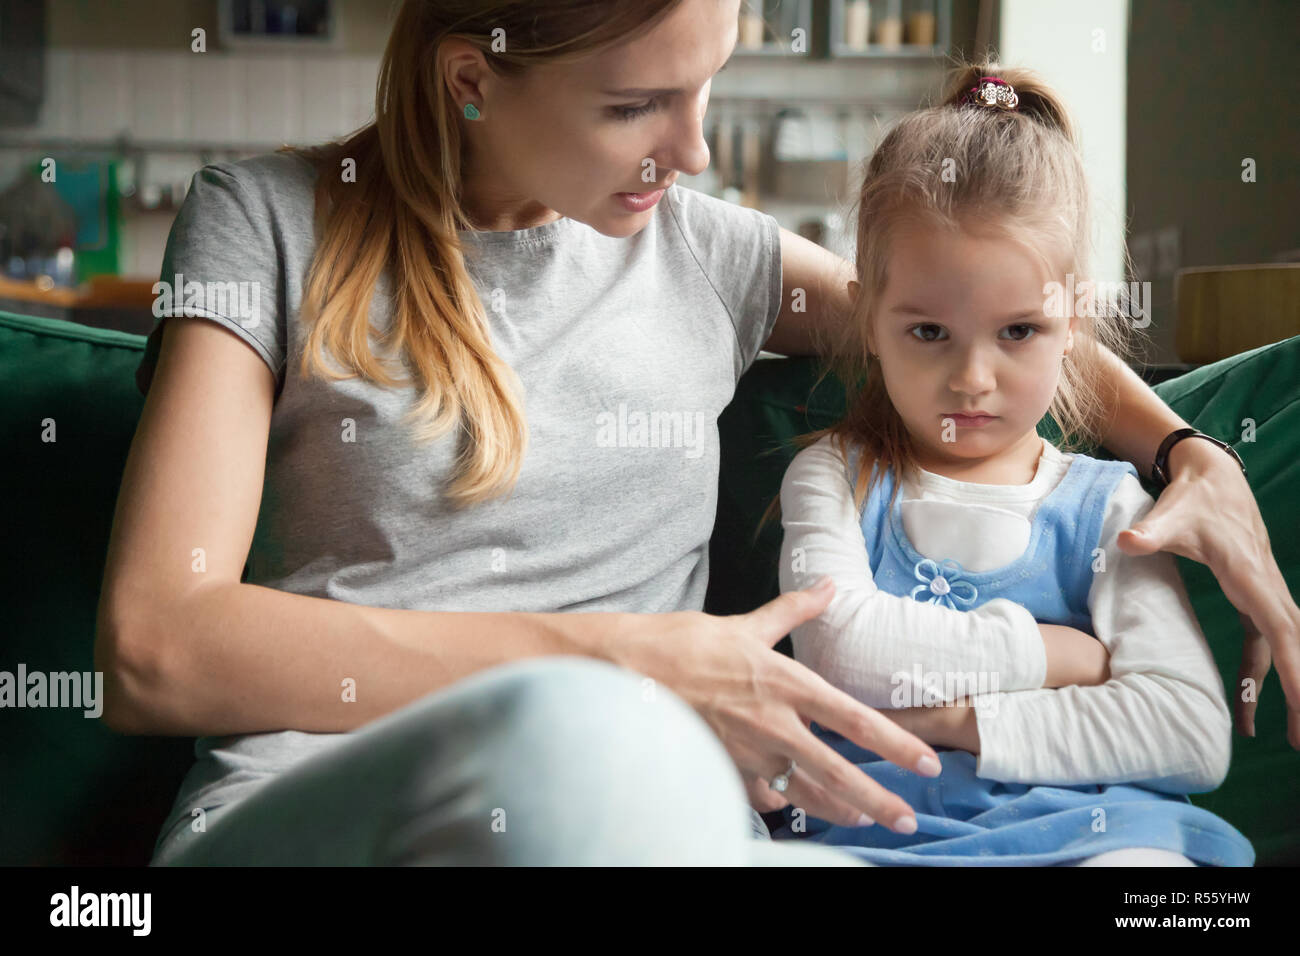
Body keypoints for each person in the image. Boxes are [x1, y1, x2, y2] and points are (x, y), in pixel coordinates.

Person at [93, 0, 1295, 867]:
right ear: (471, 77)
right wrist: (616, 659)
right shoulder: (263, 223)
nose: (696, 150)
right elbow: (156, 641)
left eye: (705, 83)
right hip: (330, 808)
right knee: (571, 735)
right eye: (636, 106)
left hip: (659, 823)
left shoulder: (706, 252)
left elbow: (984, 316)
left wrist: (1189, 453)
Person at [767, 65, 1259, 866]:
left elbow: (1188, 732)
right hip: (867, 829)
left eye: (1019, 331)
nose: (972, 379)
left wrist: (953, 721)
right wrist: (1057, 657)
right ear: (866, 318)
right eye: (928, 333)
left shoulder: (1111, 507)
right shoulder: (833, 474)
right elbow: (844, 652)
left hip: (1088, 835)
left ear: (1075, 322)